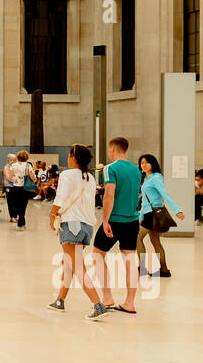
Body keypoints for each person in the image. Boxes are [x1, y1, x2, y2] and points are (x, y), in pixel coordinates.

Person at [47, 144, 107, 320]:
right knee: (70, 263)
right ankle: (60, 300)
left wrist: (52, 214)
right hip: (86, 226)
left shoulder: (67, 175)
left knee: (78, 266)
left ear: (73, 157)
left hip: (71, 225)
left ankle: (98, 305)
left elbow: (61, 196)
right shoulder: (90, 177)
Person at [94, 137, 141, 315]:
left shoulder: (110, 168)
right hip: (132, 220)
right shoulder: (136, 170)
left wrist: (105, 220)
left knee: (97, 256)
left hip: (114, 220)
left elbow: (109, 195)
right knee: (130, 261)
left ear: (112, 149)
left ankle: (107, 297)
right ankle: (130, 302)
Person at [135, 153, 184, 278]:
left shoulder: (156, 177)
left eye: (147, 162)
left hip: (152, 214)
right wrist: (141, 217)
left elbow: (165, 194)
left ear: (153, 164)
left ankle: (142, 268)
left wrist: (177, 210)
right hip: (148, 213)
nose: (144, 165)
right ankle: (164, 270)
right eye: (142, 163)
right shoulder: (147, 178)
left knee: (137, 238)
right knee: (155, 241)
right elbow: (145, 200)